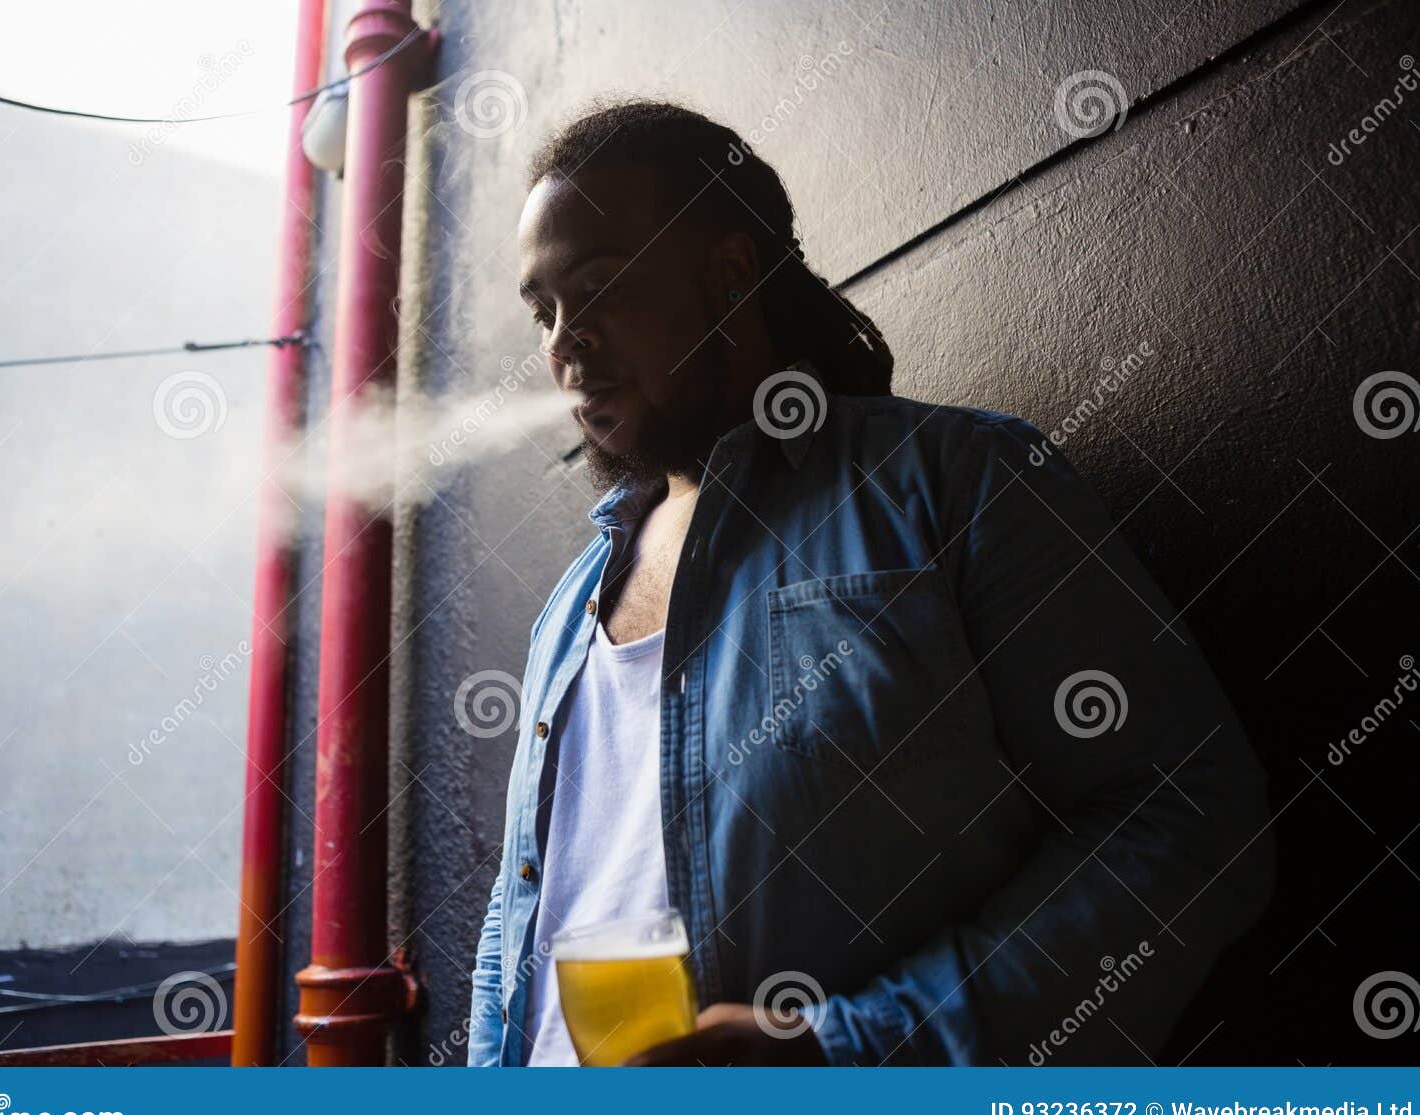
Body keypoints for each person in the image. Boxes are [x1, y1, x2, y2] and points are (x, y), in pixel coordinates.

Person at [467, 98, 1274, 1066]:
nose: (566, 339)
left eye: (600, 288)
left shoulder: (957, 483)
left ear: (728, 277)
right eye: (544, 309)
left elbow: (1186, 819)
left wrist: (843, 1052)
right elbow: (518, 927)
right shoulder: (568, 610)